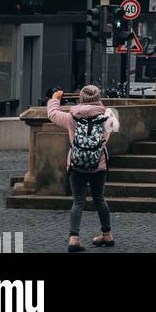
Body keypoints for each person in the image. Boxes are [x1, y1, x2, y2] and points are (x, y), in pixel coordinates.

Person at [47, 85, 120, 253]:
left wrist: (55, 100)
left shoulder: (72, 117)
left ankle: (74, 238)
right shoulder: (107, 117)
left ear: (81, 98)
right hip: (99, 164)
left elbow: (52, 114)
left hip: (76, 164)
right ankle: (107, 235)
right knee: (100, 199)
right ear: (98, 98)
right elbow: (115, 128)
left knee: (78, 201)